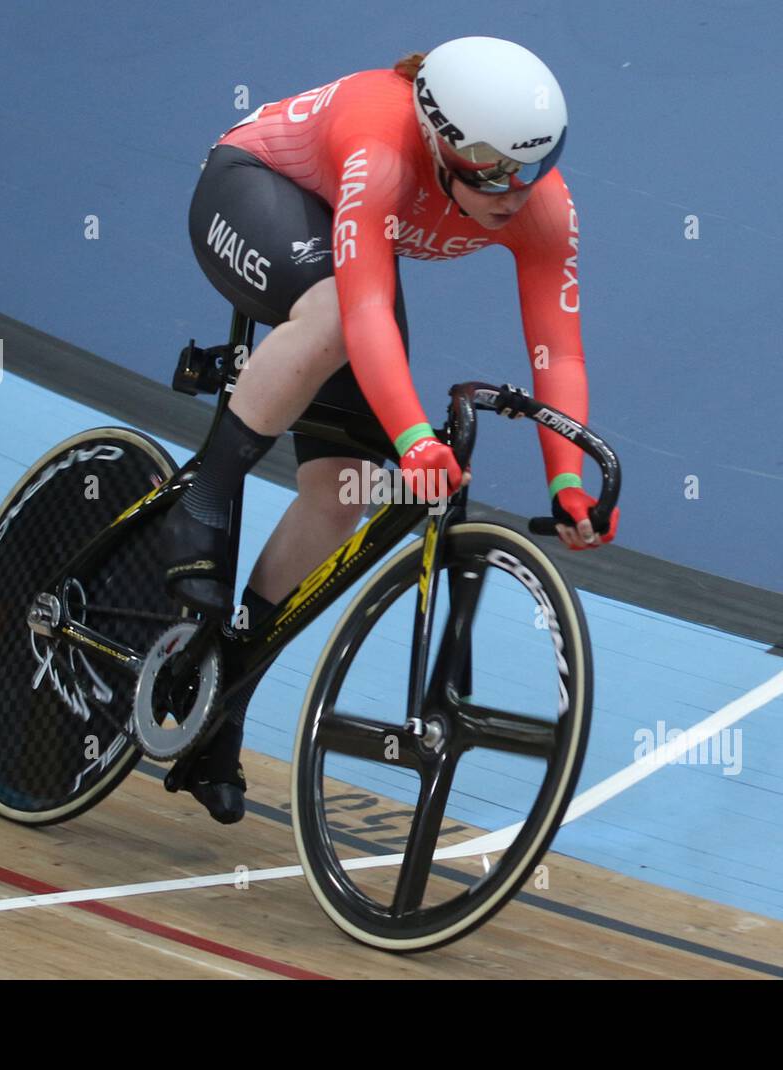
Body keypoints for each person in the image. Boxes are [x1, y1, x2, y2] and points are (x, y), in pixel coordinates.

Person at [165, 36, 619, 824]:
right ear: (441, 141)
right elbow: (368, 310)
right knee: (343, 315)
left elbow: (559, 351)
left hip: (340, 245)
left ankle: (223, 700)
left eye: (535, 165)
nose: (517, 191)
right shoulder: (381, 143)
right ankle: (203, 496)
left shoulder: (541, 203)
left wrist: (570, 481)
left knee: (345, 495)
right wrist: (415, 438)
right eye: (494, 169)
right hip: (253, 189)